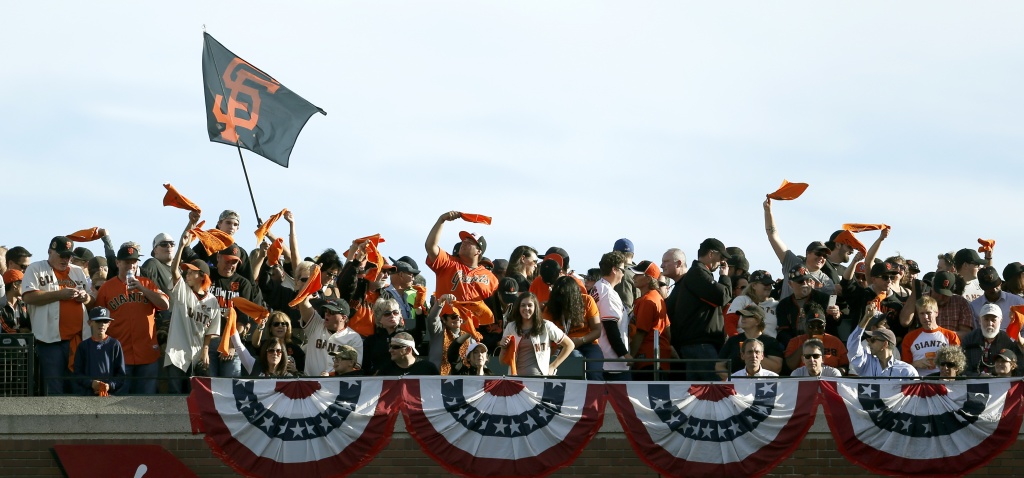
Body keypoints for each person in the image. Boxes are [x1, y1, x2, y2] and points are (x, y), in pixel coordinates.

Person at [94, 244, 170, 394]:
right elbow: (98, 321)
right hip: (120, 355)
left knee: (146, 403)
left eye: (134, 261)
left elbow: (165, 304)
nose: (131, 265)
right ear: (117, 263)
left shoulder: (147, 283)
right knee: (119, 405)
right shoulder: (107, 288)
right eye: (127, 262)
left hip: (147, 353)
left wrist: (142, 288)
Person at [23, 236, 93, 395]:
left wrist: (85, 298)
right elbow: (28, 297)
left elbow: (91, 299)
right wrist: (60, 294)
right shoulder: (35, 268)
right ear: (50, 251)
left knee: (78, 386)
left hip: (77, 339)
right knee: (54, 387)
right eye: (61, 255)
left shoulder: (77, 271)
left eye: (68, 256)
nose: (66, 259)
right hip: (49, 340)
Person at [671, 238, 732, 381]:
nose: (722, 261)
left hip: (697, 345)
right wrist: (724, 276)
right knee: (719, 390)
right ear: (711, 254)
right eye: (721, 257)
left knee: (698, 396)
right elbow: (723, 296)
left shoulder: (698, 273)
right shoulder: (697, 273)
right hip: (700, 345)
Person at [763, 198, 836, 297]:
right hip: (786, 312)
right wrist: (768, 211)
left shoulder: (826, 281)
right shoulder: (792, 263)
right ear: (808, 253)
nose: (822, 258)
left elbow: (830, 304)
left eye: (824, 256)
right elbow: (773, 236)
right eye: (818, 253)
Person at [499, 292, 574, 376]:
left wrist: (553, 366)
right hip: (516, 381)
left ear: (535, 308)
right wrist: (503, 347)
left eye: (530, 305)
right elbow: (502, 361)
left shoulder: (546, 325)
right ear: (518, 308)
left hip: (539, 380)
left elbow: (569, 345)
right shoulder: (511, 327)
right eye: (523, 305)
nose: (526, 308)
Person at [545, 275, 603, 380]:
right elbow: (546, 335)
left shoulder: (587, 300)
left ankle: (598, 395)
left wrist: (581, 340)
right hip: (563, 346)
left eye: (564, 296)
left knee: (594, 373)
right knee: (575, 360)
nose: (561, 300)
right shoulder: (550, 308)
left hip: (589, 344)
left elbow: (597, 330)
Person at [628, 260, 674, 380]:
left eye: (638, 274)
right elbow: (668, 330)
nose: (634, 277)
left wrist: (630, 357)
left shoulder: (648, 300)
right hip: (659, 357)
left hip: (648, 359)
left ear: (648, 279)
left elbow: (640, 333)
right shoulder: (657, 297)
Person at [297, 297, 363, 377]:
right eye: (326, 311)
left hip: (335, 384)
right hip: (310, 383)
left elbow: (354, 368)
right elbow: (303, 303)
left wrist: (331, 375)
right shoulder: (316, 324)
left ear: (343, 318)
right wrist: (308, 293)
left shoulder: (353, 338)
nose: (327, 314)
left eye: (331, 312)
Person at [717, 305, 784, 379]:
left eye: (747, 316)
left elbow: (777, 368)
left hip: (761, 385)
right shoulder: (733, 340)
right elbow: (719, 366)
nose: (743, 319)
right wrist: (735, 379)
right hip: (734, 386)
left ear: (758, 321)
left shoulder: (771, 342)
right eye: (742, 316)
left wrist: (752, 353)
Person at [900, 271, 974, 337]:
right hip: (922, 347)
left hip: (951, 348)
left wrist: (939, 336)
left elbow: (966, 333)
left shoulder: (960, 302)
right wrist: (915, 292)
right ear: (932, 286)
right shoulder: (920, 299)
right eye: (938, 293)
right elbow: (905, 322)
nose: (941, 297)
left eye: (946, 295)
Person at [901, 296, 961, 376]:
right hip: (919, 382)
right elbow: (903, 368)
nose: (925, 317)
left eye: (928, 313)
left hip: (943, 381)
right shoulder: (909, 338)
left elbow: (958, 364)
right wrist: (916, 363)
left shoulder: (950, 336)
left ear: (936, 313)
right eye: (922, 314)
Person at [847, 311, 918, 378]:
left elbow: (914, 390)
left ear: (885, 344)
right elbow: (852, 345)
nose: (869, 343)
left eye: (873, 340)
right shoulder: (866, 363)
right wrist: (866, 318)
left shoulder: (906, 371)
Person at [73, 307, 126, 396]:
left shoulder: (114, 344)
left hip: (109, 395)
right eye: (98, 321)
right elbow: (77, 374)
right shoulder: (83, 346)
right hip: (87, 395)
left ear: (109, 323)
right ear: (90, 323)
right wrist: (91, 383)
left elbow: (121, 374)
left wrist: (109, 386)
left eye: (105, 321)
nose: (102, 324)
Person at [594, 251, 630, 381]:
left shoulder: (598, 286)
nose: (623, 273)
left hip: (602, 358)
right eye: (622, 269)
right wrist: (625, 354)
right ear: (614, 270)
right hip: (612, 362)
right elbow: (611, 327)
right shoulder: (608, 292)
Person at [961, 303, 1023, 376]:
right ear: (980, 321)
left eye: (993, 320)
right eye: (986, 319)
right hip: (974, 383)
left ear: (1000, 321)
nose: (990, 323)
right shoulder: (969, 339)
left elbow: (1019, 367)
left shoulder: (1008, 340)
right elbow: (961, 368)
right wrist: (978, 376)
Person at [784, 312, 848, 374]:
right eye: (811, 326)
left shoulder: (835, 341)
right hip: (804, 379)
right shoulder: (795, 341)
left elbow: (845, 366)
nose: (815, 329)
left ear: (825, 326)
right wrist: (805, 345)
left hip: (830, 380)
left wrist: (835, 374)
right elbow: (790, 366)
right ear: (806, 326)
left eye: (820, 326)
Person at [725, 270, 779, 338]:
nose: (769, 287)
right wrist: (737, 341)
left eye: (770, 284)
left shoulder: (776, 305)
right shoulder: (742, 300)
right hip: (745, 342)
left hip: (769, 345)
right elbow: (730, 322)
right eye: (765, 284)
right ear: (754, 285)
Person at [363, 296, 408, 376]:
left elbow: (420, 333)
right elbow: (365, 366)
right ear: (379, 318)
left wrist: (419, 312)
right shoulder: (371, 341)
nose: (392, 315)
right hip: (379, 381)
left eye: (395, 312)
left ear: (400, 316)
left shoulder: (407, 336)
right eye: (387, 314)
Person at [969, 266, 1024, 331]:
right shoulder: (974, 306)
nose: (994, 290)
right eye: (990, 288)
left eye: (996, 285)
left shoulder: (1017, 302)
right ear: (981, 287)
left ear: (1000, 282)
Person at [233, 334, 298, 377]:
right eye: (271, 350)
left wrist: (295, 372)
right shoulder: (254, 366)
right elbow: (238, 345)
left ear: (282, 354)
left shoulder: (288, 377)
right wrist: (230, 319)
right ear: (265, 352)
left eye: (278, 351)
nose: (275, 353)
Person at [612, 238, 640, 312]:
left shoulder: (623, 274)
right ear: (632, 255)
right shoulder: (639, 272)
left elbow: (625, 307)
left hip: (626, 321)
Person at [1, 269, 30, 334]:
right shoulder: (1, 305)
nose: (26, 286)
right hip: (6, 343)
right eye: (24, 283)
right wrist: (19, 331)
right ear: (15, 285)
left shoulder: (24, 304)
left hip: (25, 343)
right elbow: (3, 329)